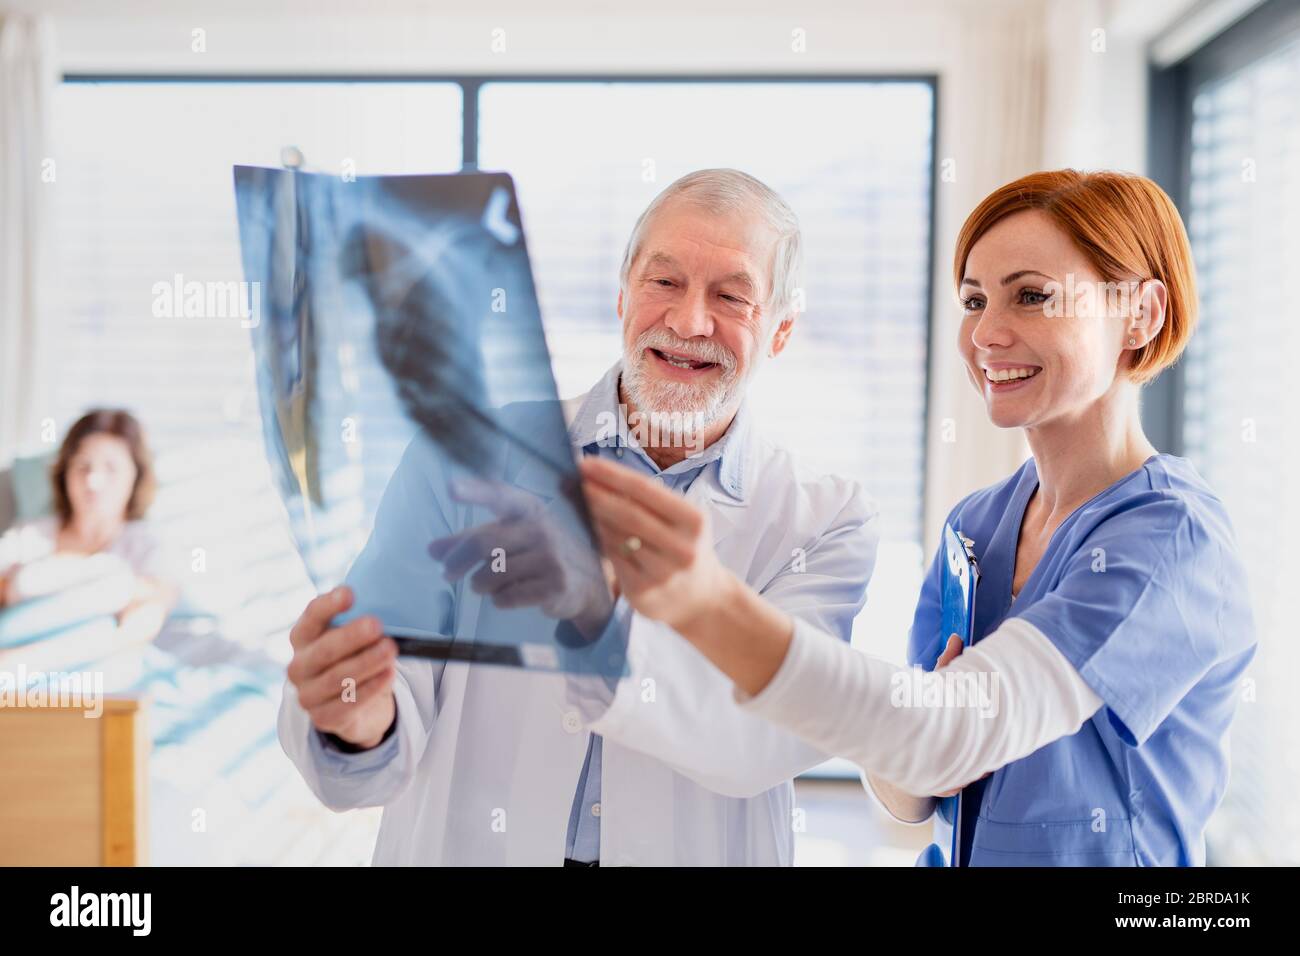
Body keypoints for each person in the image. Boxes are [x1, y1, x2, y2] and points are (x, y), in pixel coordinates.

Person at [580, 169, 1257, 866]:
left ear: (1140, 314)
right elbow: (908, 790)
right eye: (973, 300)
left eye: (1031, 296)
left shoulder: (1171, 540)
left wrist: (706, 604)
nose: (987, 334)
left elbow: (946, 732)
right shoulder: (979, 524)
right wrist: (915, 744)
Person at [277, 169, 881, 865]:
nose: (688, 322)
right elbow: (390, 671)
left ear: (778, 331)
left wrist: (600, 618)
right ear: (623, 293)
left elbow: (769, 736)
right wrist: (357, 719)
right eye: (664, 282)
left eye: (732, 296)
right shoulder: (465, 456)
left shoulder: (824, 520)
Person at [0, 409, 177, 651]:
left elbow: (151, 610)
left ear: (136, 477)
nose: (93, 482)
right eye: (83, 466)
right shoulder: (30, 537)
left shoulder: (146, 545)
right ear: (65, 473)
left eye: (111, 469)